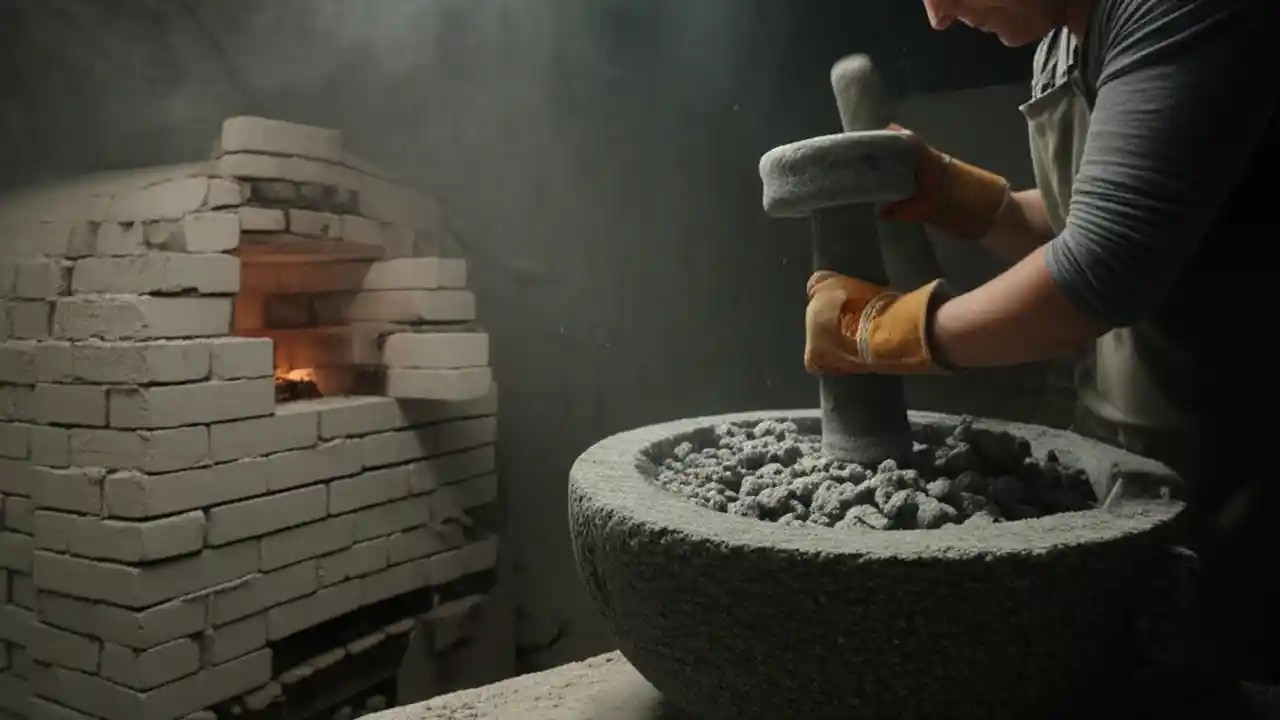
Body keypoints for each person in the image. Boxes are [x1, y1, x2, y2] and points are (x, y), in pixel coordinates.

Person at [803, 0, 1279, 714]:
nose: (935, 18)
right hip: (1147, 447)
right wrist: (951, 193)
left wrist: (892, 332)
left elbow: (1102, 268)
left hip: (1255, 469)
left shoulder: (1180, 10)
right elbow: (1073, 225)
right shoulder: (1059, 38)